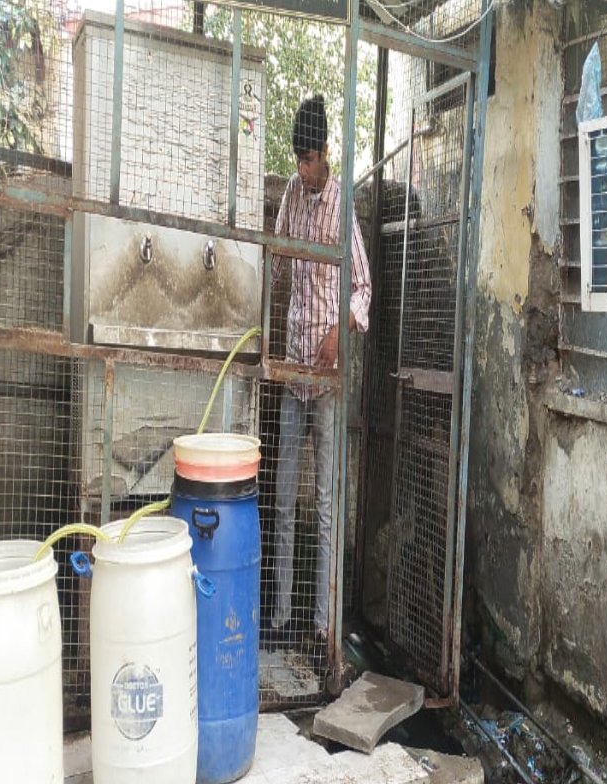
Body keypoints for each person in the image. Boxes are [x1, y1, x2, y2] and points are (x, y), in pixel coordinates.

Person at [266, 95, 372, 666]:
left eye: (308, 160)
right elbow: (278, 258)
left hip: (326, 377)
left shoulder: (342, 205)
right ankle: (282, 618)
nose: (303, 171)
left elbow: (364, 288)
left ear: (325, 152)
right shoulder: (290, 194)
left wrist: (340, 328)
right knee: (283, 501)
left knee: (326, 505)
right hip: (291, 372)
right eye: (298, 162)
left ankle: (322, 624)